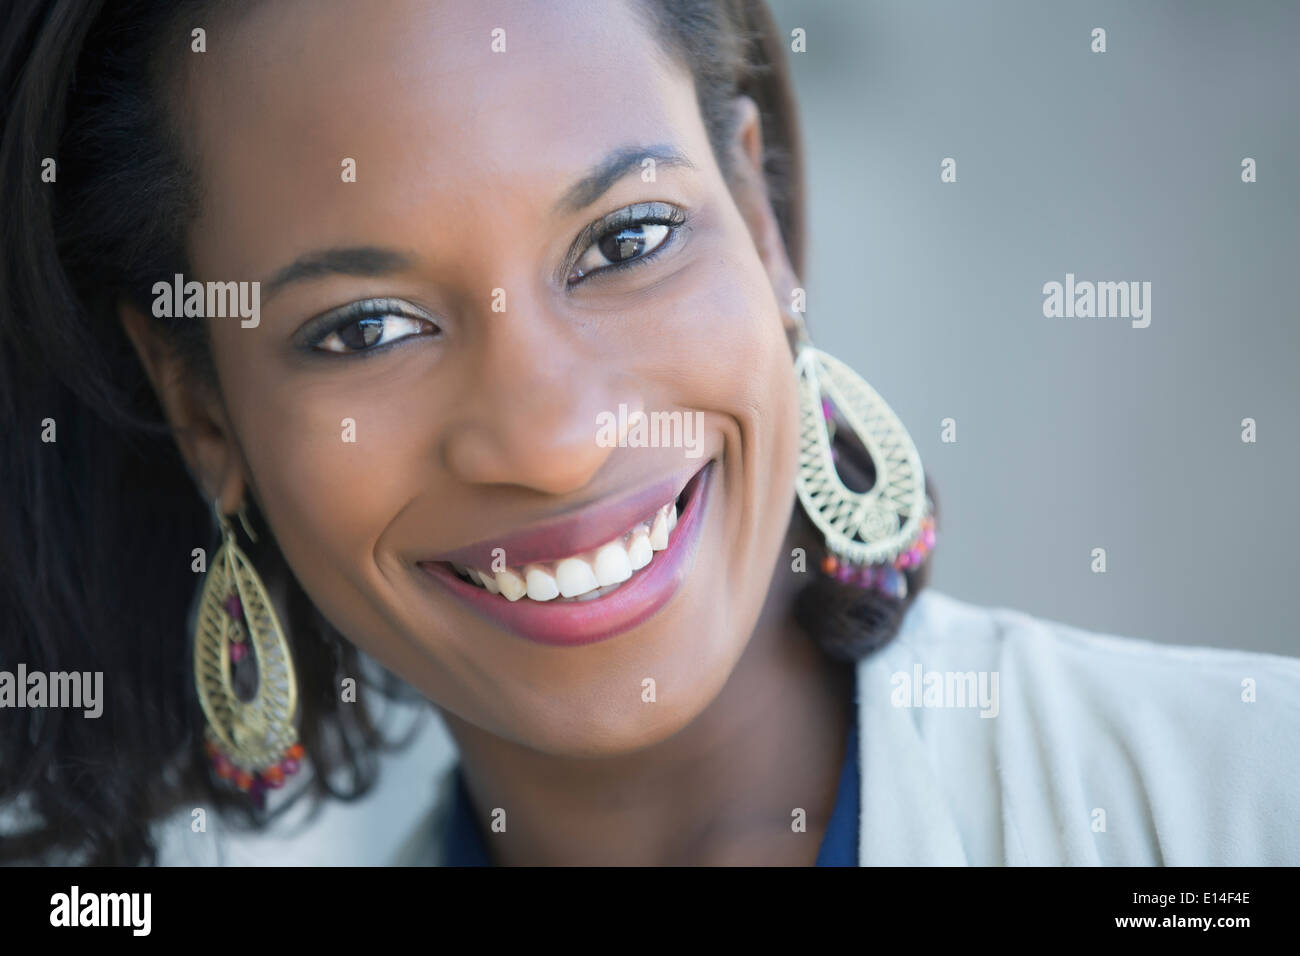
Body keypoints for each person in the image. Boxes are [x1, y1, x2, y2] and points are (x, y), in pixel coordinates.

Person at [1, 0, 1295, 867]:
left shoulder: (1248, 805)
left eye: (627, 241)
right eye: (366, 329)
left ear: (762, 217)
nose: (555, 441)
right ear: (203, 408)